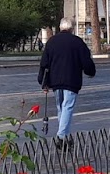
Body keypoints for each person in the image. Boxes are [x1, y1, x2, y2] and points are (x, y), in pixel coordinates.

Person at [38, 18, 96, 149]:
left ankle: (65, 136)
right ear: (72, 28)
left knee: (61, 108)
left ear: (60, 28)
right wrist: (90, 72)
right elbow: (86, 61)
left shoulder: (52, 42)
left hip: (55, 81)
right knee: (67, 107)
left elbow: (44, 63)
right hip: (71, 79)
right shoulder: (77, 42)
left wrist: (43, 81)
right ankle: (61, 135)